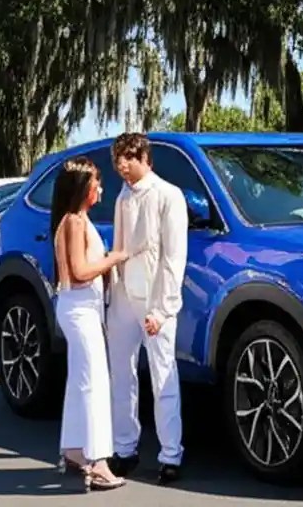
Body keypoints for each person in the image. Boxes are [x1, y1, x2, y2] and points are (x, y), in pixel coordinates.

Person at [105, 132, 189, 484]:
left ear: (144, 157)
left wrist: (162, 308)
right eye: (118, 160)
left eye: (127, 158)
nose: (121, 166)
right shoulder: (123, 196)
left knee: (163, 376)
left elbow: (174, 257)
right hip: (123, 295)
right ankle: (124, 448)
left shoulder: (169, 195)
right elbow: (119, 245)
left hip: (155, 298)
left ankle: (171, 454)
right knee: (121, 374)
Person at [50, 157, 130, 492]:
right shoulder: (74, 223)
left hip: (82, 308)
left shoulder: (79, 220)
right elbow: (80, 272)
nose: (101, 188)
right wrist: (113, 258)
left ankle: (72, 450)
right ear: (83, 188)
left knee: (80, 381)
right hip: (78, 309)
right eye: (96, 182)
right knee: (95, 384)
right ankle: (98, 461)